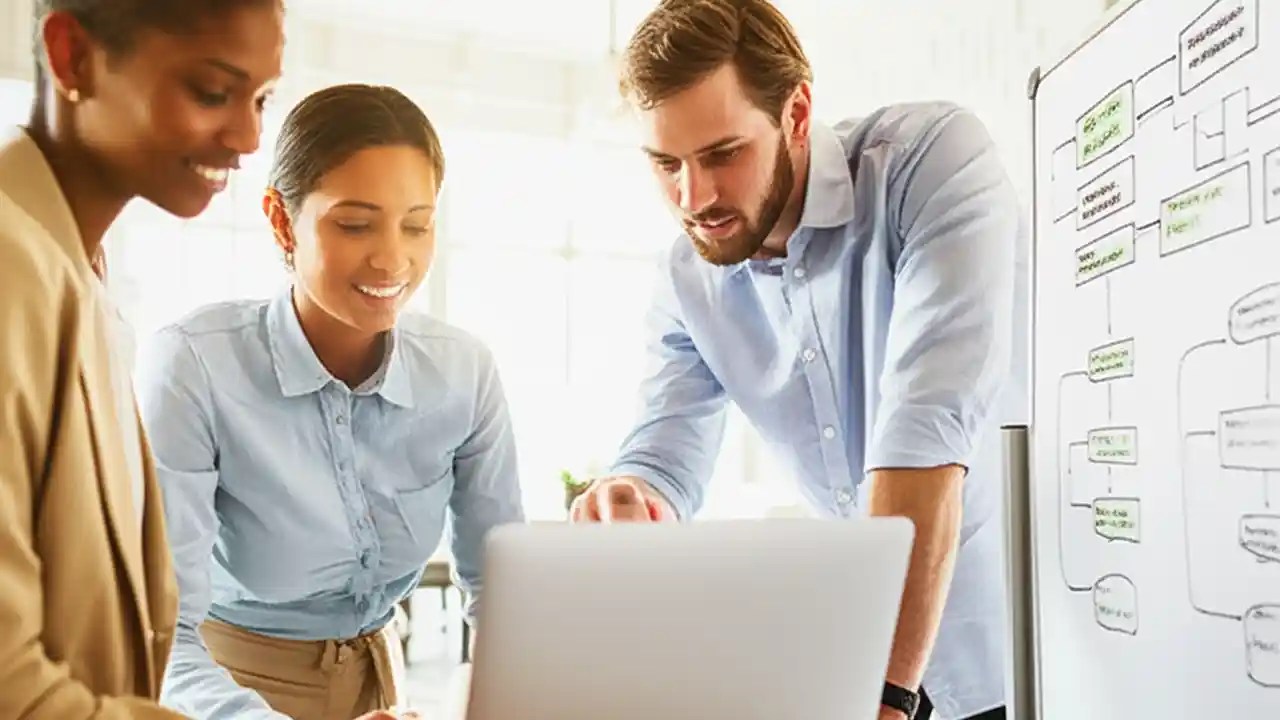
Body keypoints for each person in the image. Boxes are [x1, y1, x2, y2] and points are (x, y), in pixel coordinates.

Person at [569, 2, 1028, 719]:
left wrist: (880, 696)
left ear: (798, 112)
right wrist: (632, 494)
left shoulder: (931, 166)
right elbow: (667, 445)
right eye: (666, 164)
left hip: (1008, 654)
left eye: (723, 154)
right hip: (860, 653)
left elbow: (923, 432)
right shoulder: (687, 280)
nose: (695, 199)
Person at [135, 83, 525, 720]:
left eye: (418, 226)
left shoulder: (464, 373)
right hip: (226, 696)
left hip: (384, 689)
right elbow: (156, 640)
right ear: (281, 220)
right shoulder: (194, 367)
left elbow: (505, 598)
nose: (392, 258)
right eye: (354, 224)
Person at [0, 0, 284, 716]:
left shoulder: (75, 269)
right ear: (73, 58)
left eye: (261, 97)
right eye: (212, 92)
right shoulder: (10, 271)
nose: (250, 135)